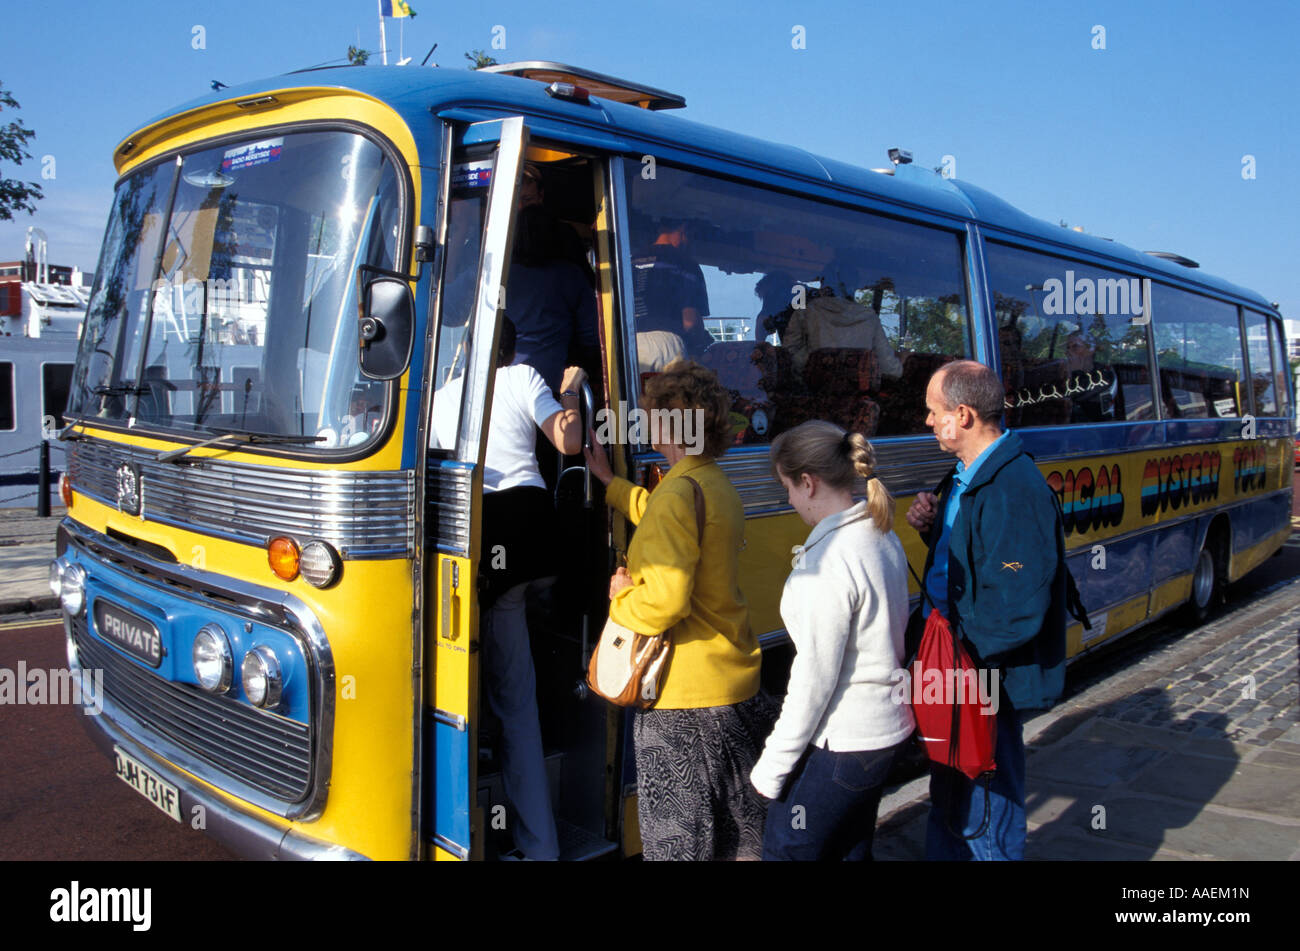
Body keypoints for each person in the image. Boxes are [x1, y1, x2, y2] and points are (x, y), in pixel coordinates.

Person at [584, 360, 772, 860]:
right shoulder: (712, 485)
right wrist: (611, 484)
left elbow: (665, 600)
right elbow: (661, 512)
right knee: (739, 841)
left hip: (684, 704)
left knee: (679, 845)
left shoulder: (678, 495)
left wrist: (621, 594)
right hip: (734, 688)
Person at [430, 317, 588, 861]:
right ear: (514, 347)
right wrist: (571, 391)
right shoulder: (522, 379)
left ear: (468, 350)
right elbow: (567, 439)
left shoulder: (443, 396)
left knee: (474, 681)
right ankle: (540, 845)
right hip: (527, 538)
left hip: (463, 543)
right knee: (518, 701)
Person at [904, 360, 1068, 861]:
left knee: (984, 817)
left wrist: (962, 660)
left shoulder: (1012, 487)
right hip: (963, 672)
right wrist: (933, 530)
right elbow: (984, 564)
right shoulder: (967, 476)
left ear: (965, 414)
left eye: (935, 412)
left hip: (982, 677)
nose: (928, 422)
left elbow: (1017, 602)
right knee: (953, 804)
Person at [751, 420, 915, 860]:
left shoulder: (825, 564)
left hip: (847, 738)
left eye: (787, 486)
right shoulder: (880, 532)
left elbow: (812, 683)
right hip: (887, 730)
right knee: (850, 847)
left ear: (808, 482)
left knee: (787, 848)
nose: (787, 500)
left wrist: (771, 769)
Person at [507, 203, 599, 395]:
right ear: (553, 235)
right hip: (551, 384)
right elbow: (591, 337)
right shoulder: (570, 276)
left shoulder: (501, 277)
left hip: (502, 382)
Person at [782, 261, 902, 378]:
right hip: (860, 395)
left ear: (823, 284)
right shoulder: (870, 317)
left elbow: (788, 356)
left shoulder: (806, 313)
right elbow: (889, 368)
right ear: (855, 286)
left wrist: (815, 362)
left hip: (812, 393)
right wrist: (905, 361)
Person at [632, 220, 714, 358]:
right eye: (691, 236)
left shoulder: (631, 261)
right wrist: (699, 343)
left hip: (632, 346)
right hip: (666, 346)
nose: (689, 242)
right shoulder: (685, 263)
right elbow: (690, 322)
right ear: (683, 229)